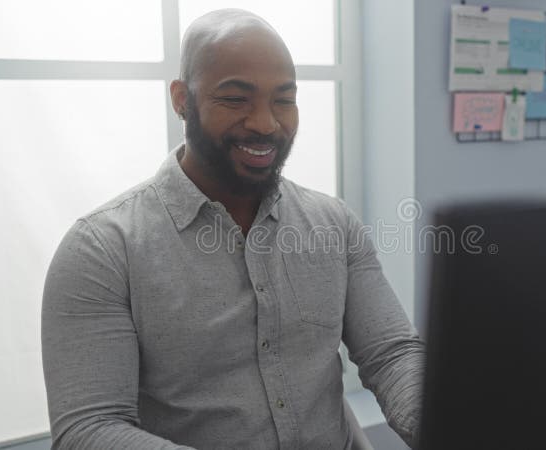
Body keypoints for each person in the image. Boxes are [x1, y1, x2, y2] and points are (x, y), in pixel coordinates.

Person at [41, 9, 425, 450]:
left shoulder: (333, 225)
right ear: (182, 99)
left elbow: (392, 355)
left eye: (283, 99)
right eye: (236, 98)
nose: (265, 123)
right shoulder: (101, 252)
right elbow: (89, 430)